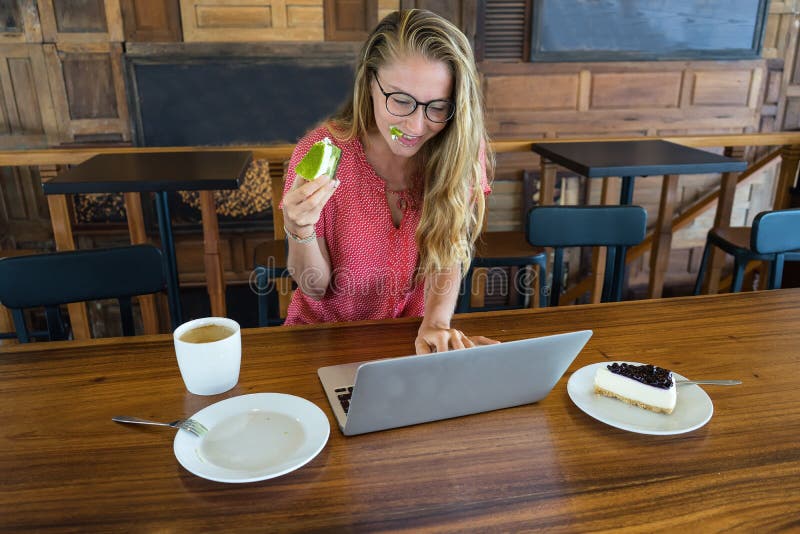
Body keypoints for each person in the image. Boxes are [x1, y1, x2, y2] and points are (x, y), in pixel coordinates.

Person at [281, 9, 498, 354]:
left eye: (438, 107)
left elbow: (448, 250)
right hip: (323, 343)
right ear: (369, 82)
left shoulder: (462, 149)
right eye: (400, 101)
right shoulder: (321, 153)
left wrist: (437, 323)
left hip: (405, 341)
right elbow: (316, 288)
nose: (415, 126)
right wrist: (299, 228)